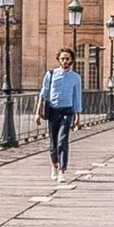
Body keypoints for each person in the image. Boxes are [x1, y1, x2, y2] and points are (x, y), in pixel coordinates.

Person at [36, 48, 83, 182]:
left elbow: (77, 98)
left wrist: (78, 118)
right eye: (63, 58)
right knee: (53, 142)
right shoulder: (50, 75)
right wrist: (37, 113)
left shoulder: (75, 77)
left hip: (67, 111)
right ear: (59, 60)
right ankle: (54, 166)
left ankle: (62, 170)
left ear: (72, 60)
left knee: (62, 141)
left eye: (67, 59)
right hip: (53, 111)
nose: (65, 61)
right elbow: (43, 95)